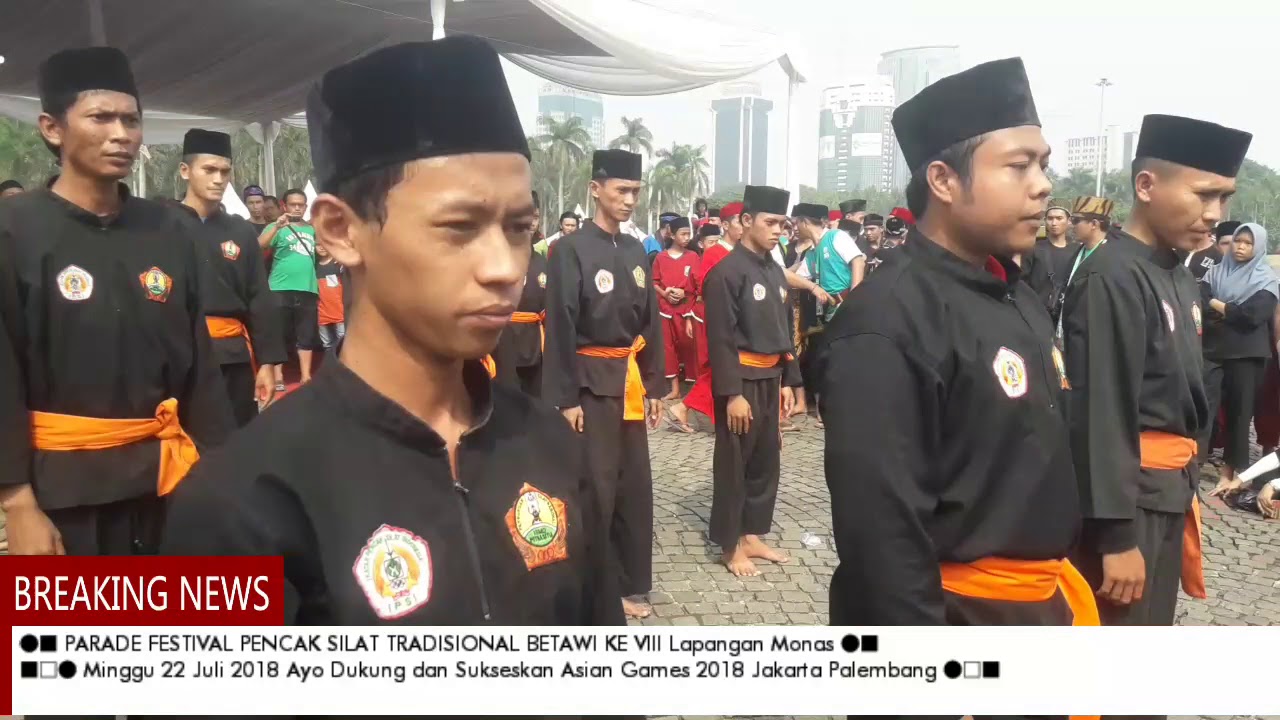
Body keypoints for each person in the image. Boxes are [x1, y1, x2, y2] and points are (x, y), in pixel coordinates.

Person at [161, 36, 622, 628]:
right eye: (459, 226)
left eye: (519, 227)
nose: (506, 267)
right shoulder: (241, 501)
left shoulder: (550, 446)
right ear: (340, 230)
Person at [824, 57, 1096, 628]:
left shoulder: (1016, 295)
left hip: (1038, 608)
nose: (1043, 185)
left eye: (1043, 165)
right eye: (1018, 166)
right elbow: (882, 540)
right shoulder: (887, 320)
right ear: (944, 180)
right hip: (959, 619)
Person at [0, 46, 235, 556]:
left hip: (167, 482)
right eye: (100, 117)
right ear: (51, 128)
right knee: (74, 636)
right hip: (63, 493)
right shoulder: (16, 230)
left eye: (131, 119)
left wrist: (221, 477)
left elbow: (201, 370)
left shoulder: (168, 229)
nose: (121, 134)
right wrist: (17, 503)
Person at [1061, 113, 1251, 626]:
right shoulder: (1113, 277)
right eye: (1204, 194)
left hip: (1168, 493)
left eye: (1224, 198)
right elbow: (1100, 412)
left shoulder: (1176, 274)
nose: (1215, 213)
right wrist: (1115, 535)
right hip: (1129, 501)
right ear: (1146, 185)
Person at [543, 148, 664, 620]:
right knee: (596, 488)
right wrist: (566, 396)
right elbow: (560, 324)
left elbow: (650, 323)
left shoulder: (637, 250)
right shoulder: (569, 250)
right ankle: (594, 588)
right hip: (590, 384)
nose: (629, 199)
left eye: (635, 191)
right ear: (596, 190)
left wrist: (654, 386)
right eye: (621, 190)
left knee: (633, 486)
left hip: (629, 381)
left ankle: (627, 581)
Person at [704, 184, 801, 577]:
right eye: (770, 222)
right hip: (740, 382)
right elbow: (720, 338)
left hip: (770, 377)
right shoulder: (725, 274)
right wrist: (731, 395)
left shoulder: (775, 270)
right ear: (746, 221)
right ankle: (730, 545)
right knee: (734, 464)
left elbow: (783, 331)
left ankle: (752, 533)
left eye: (782, 223)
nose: (779, 230)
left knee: (765, 461)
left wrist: (791, 381)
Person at [178, 129, 286, 427]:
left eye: (225, 171)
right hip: (179, 352)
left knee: (236, 439)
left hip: (232, 354)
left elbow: (259, 296)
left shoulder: (239, 231)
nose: (218, 179)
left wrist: (268, 361)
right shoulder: (161, 223)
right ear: (185, 171)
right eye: (209, 170)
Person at [1200, 223, 1279, 496]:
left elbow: (1253, 317)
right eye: (1237, 242)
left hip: (1247, 355)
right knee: (1202, 406)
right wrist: (1229, 310)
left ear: (1257, 247)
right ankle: (1191, 462)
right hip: (1212, 350)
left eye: (1248, 243)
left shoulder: (1266, 279)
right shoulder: (1215, 272)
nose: (1241, 247)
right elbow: (1201, 303)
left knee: (1239, 414)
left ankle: (1231, 472)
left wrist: (1219, 305)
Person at [672, 203, 743, 430]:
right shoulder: (715, 253)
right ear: (725, 225)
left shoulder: (743, 252)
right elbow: (704, 287)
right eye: (739, 221)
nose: (744, 226)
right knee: (717, 367)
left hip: (739, 321)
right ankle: (685, 407)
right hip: (715, 319)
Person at [259, 188, 321, 387]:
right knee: (279, 333)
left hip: (308, 287)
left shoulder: (313, 229)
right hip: (279, 287)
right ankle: (278, 376)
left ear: (305, 206)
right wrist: (277, 227)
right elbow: (259, 245)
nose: (297, 208)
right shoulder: (276, 226)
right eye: (292, 204)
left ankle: (306, 376)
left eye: (300, 205)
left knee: (306, 333)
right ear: (284, 205)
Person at [493, 201, 548, 397]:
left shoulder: (542, 262)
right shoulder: (497, 258)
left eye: (536, 217)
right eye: (528, 217)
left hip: (534, 342)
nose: (532, 223)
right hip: (503, 339)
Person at [652, 216, 700, 400]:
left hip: (687, 310)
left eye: (689, 234)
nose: (687, 237)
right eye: (683, 234)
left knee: (690, 345)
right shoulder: (660, 258)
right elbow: (654, 282)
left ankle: (694, 386)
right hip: (665, 309)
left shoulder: (693, 257)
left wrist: (684, 292)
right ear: (672, 235)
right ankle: (674, 388)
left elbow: (698, 284)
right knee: (667, 347)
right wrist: (665, 294)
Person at [1024, 202, 1080, 319]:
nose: (1054, 223)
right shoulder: (1034, 248)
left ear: (1069, 221)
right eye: (1050, 218)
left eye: (1059, 218)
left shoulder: (1077, 251)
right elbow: (1022, 282)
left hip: (1066, 315)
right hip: (1037, 313)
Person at [315, 240, 346, 354]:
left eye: (324, 244)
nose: (321, 247)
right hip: (322, 312)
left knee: (342, 343)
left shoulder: (339, 263)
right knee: (327, 344)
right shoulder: (314, 265)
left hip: (339, 311)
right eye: (318, 244)